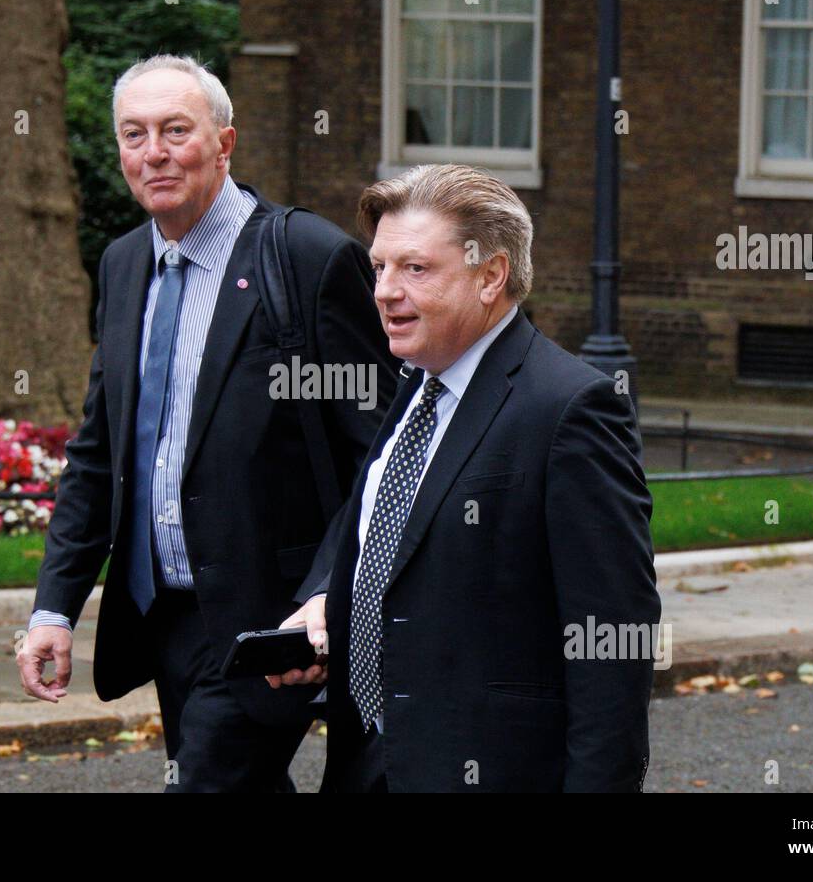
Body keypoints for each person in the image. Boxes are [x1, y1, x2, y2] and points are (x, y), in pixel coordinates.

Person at [18, 54, 397, 791]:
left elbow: (377, 455)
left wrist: (327, 593)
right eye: (134, 134)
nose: (153, 152)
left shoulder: (308, 257)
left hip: (272, 620)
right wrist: (54, 609)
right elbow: (99, 452)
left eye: (175, 130)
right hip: (166, 617)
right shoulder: (125, 263)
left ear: (223, 144)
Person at [270, 164, 662, 792]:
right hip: (367, 765)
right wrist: (328, 605)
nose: (384, 291)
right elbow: (392, 541)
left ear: (491, 276)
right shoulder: (416, 385)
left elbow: (612, 640)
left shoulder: (570, 408)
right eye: (379, 267)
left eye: (415, 269)